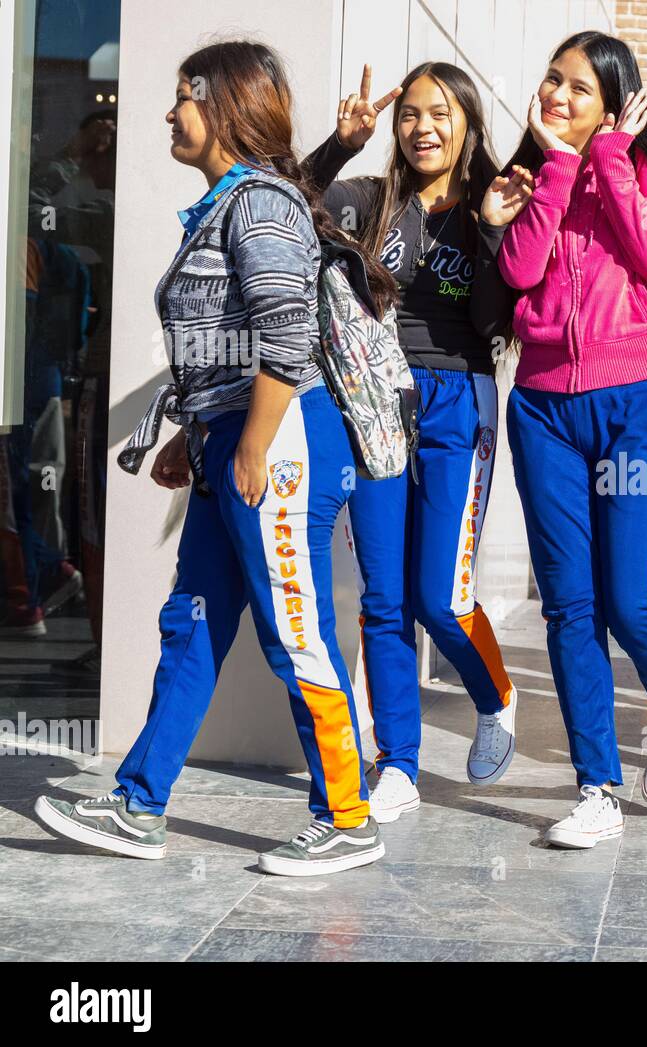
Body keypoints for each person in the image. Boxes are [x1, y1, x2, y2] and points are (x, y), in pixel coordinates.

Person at [35, 41, 397, 875]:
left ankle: (348, 815)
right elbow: (227, 343)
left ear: (225, 105)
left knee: (293, 628)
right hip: (231, 439)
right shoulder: (232, 202)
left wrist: (253, 444)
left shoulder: (259, 205)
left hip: (277, 443)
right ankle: (138, 804)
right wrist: (190, 435)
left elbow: (286, 334)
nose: (167, 112)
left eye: (182, 97)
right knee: (190, 625)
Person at [498, 31, 647, 847]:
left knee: (630, 600)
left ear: (615, 100)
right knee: (569, 606)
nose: (558, 95)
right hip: (544, 405)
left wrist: (611, 156)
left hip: (635, 399)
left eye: (579, 87)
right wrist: (556, 167)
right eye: (552, 79)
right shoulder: (531, 170)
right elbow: (518, 272)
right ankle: (596, 790)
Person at [304, 63, 526, 821]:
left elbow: (503, 315)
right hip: (374, 399)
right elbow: (290, 207)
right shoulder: (372, 198)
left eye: (440, 112)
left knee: (440, 596)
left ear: (466, 120)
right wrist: (339, 146)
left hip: (460, 398)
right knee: (384, 597)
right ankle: (398, 761)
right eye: (411, 115)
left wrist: (496, 229)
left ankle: (495, 695)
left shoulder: (496, 198)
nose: (423, 126)